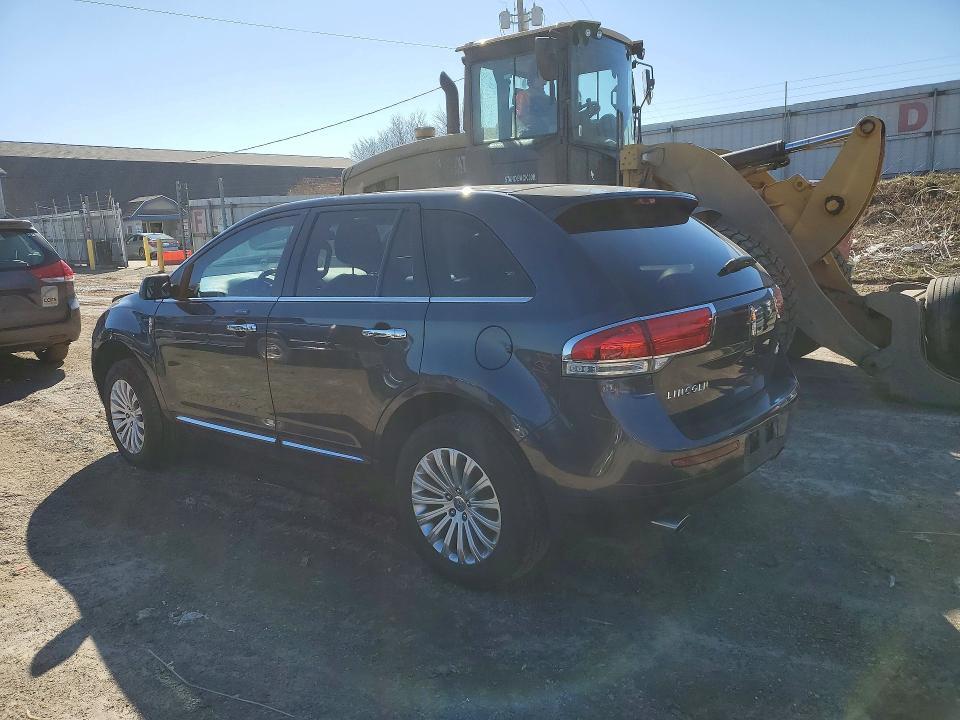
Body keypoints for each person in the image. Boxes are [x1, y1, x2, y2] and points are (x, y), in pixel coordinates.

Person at [514, 59, 556, 138]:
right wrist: (542, 121)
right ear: (534, 76)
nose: (545, 81)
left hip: (551, 135)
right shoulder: (523, 96)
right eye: (542, 75)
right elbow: (523, 117)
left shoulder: (549, 98)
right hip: (533, 137)